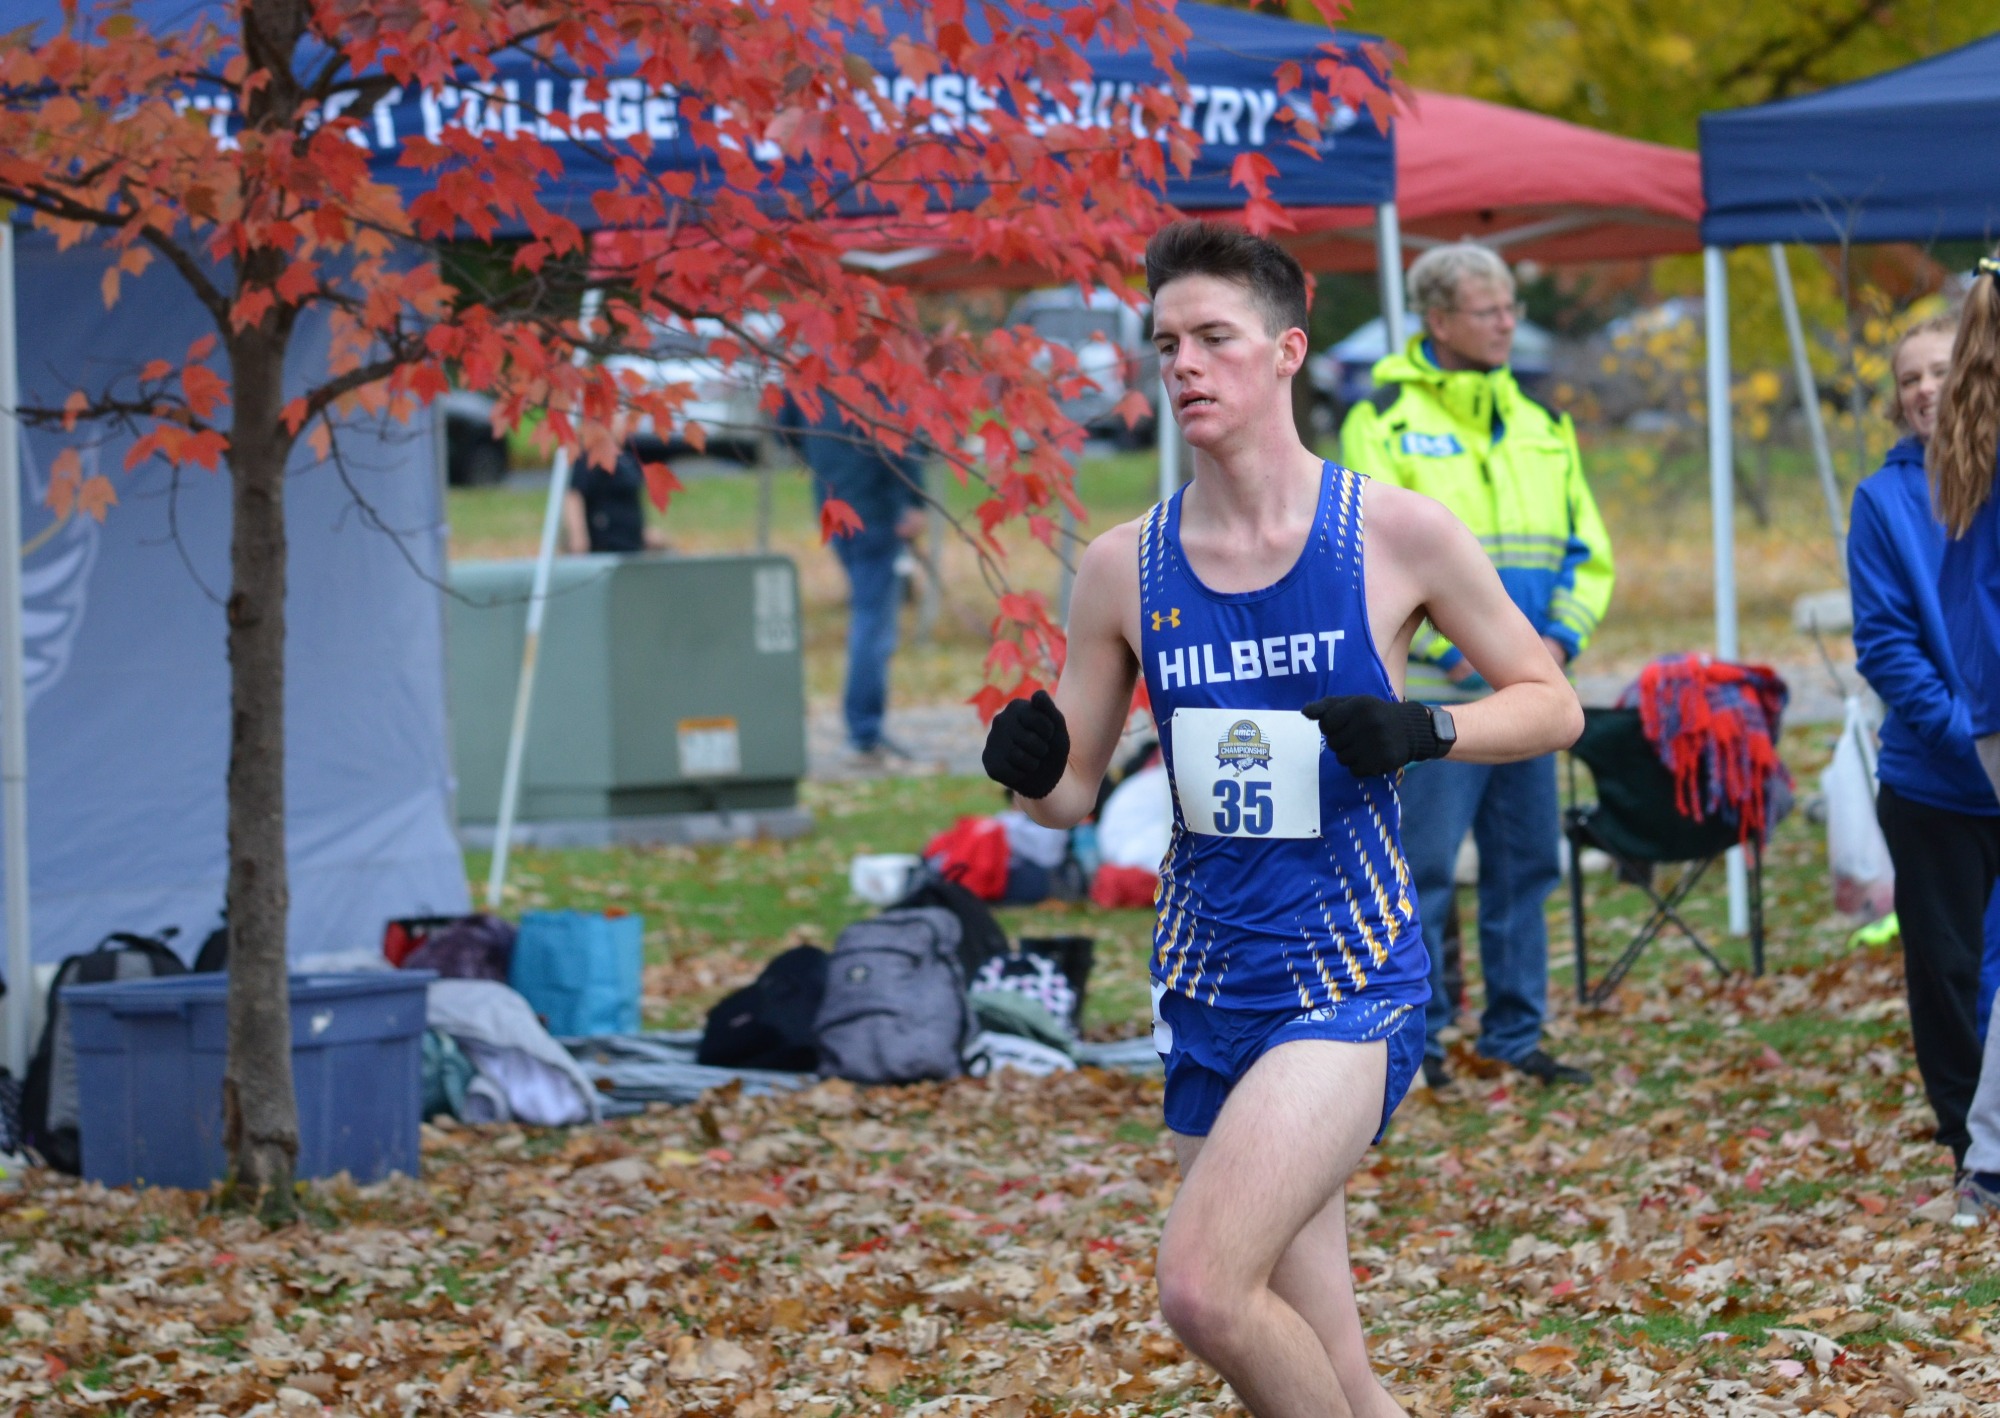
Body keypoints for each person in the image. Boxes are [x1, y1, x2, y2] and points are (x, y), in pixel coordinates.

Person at [982, 221, 1580, 1418]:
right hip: (1207, 979)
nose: (1184, 365)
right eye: (1164, 343)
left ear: (1285, 352)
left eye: (1213, 337)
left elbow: (1550, 703)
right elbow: (1068, 795)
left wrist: (1426, 728)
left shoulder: (1392, 531)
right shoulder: (1121, 565)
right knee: (1331, 1362)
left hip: (1346, 972)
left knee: (1203, 1289)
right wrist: (1022, 764)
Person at [1338, 244, 1613, 1091]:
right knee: (1420, 872)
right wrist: (1467, 654)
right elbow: (1366, 566)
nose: (1506, 322)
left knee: (1525, 865)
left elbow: (1588, 552)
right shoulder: (1380, 421)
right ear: (1438, 319)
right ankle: (1413, 1047)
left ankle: (1514, 1037)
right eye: (1488, 309)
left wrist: (1552, 650)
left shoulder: (1543, 422)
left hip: (1528, 695)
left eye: (1510, 308)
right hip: (1437, 696)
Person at [1849, 314, 2000, 1217]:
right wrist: (1972, 734)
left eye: (1941, 369)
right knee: (1943, 971)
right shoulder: (1886, 499)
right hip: (1937, 781)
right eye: (1909, 378)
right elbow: (1887, 644)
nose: (1925, 389)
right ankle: (1967, 1151)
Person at [777, 396, 928, 766]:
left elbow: (785, 430)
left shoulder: (808, 368)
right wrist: (912, 500)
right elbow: (900, 440)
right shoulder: (876, 365)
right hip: (877, 509)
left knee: (868, 616)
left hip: (833, 506)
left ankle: (864, 730)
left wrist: (825, 461)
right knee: (873, 622)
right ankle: (864, 733)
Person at [562, 421, 667, 555]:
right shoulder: (590, 459)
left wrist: (644, 531)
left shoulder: (628, 459)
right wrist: (578, 537)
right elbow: (575, 495)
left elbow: (631, 503)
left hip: (632, 546)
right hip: (605, 547)